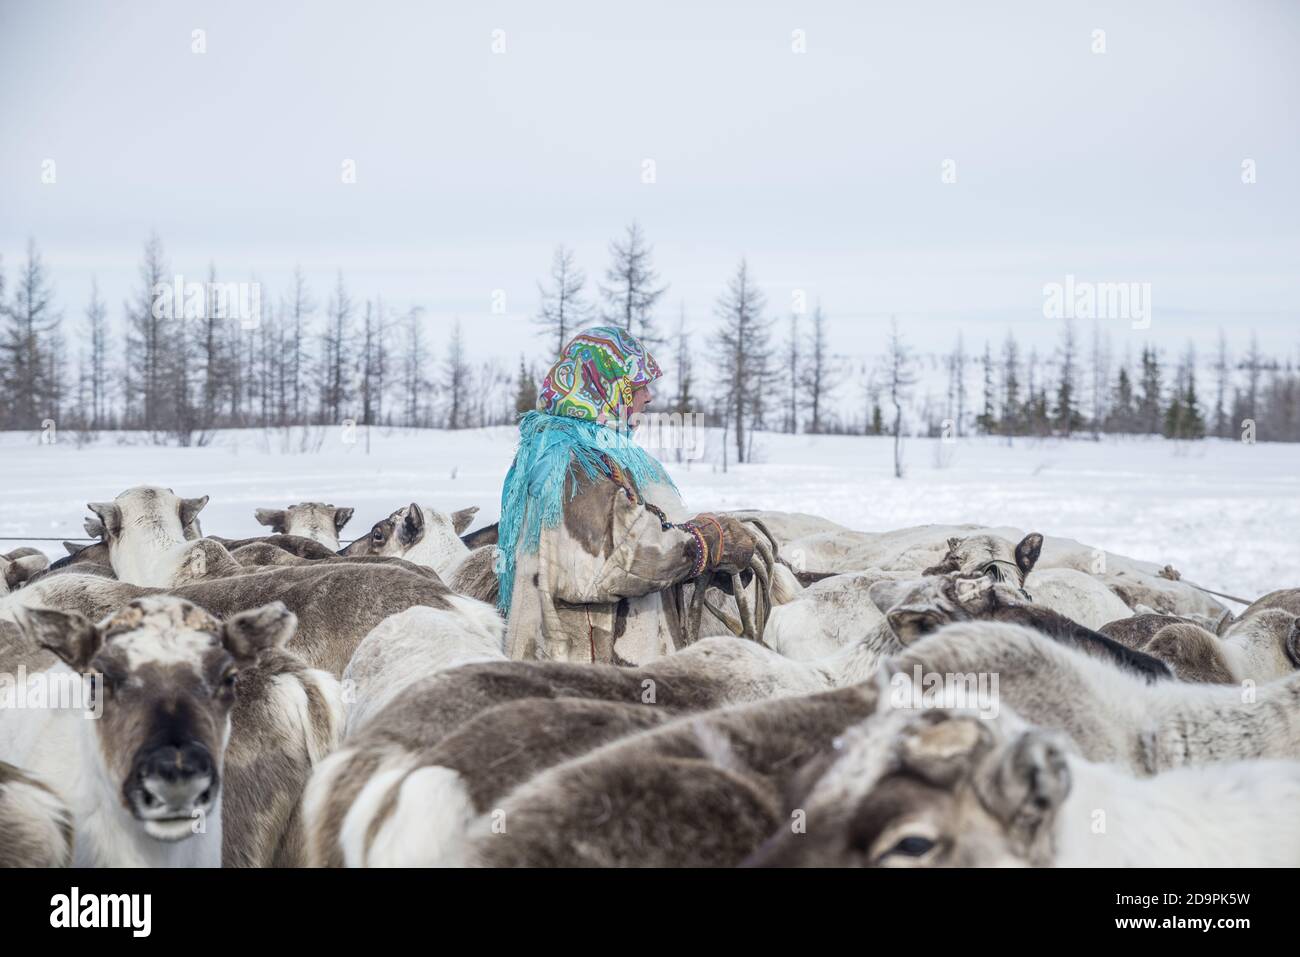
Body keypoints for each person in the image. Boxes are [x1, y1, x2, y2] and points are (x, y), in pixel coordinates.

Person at [497, 326, 756, 664]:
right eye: (637, 386)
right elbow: (622, 560)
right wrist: (706, 542)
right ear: (605, 387)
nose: (647, 397)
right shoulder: (577, 464)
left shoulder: (555, 451)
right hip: (586, 677)